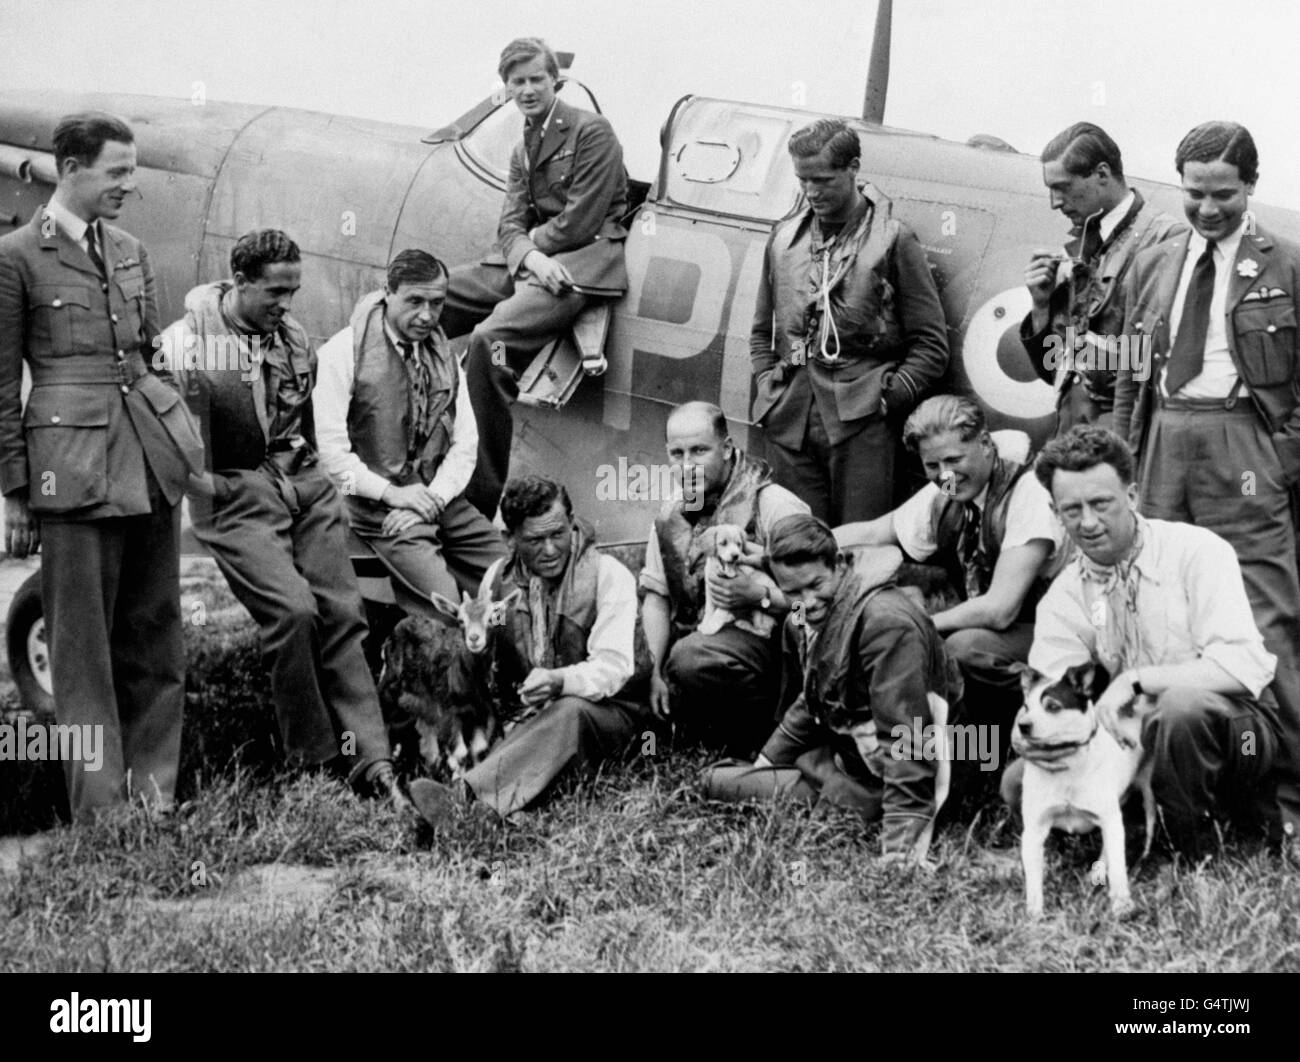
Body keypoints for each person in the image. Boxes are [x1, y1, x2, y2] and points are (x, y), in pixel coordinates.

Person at [0, 112, 205, 821]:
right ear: (71, 169)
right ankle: (102, 813)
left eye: (132, 169)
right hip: (71, 470)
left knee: (156, 634)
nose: (130, 184)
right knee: (81, 656)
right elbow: (1, 386)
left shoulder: (130, 250)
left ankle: (156, 799)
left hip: (147, 463)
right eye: (117, 171)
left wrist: (176, 442)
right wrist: (16, 491)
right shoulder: (16, 256)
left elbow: (148, 354)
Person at [161, 229, 403, 805]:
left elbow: (306, 416)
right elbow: (160, 429)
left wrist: (317, 477)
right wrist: (207, 484)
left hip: (301, 484)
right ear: (240, 281)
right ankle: (313, 760)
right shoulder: (184, 343)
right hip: (236, 494)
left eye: (294, 291)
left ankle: (373, 761)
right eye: (275, 291)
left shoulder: (290, 335)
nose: (287, 304)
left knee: (344, 612)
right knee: (294, 613)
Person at [1113, 121, 1300, 852]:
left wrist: (1282, 460)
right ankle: (1157, 796)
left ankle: (1283, 803)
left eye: (1224, 194)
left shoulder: (1284, 261)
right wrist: (1128, 461)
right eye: (1196, 194)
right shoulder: (1156, 259)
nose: (1210, 210)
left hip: (1242, 443)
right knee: (1155, 607)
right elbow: (1130, 368)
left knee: (1266, 623)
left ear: (1251, 186)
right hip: (1164, 436)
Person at [1019, 426, 1282, 859]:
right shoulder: (1064, 595)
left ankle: (1192, 850)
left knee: (1181, 709)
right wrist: (1029, 738)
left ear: (1133, 496)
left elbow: (1242, 667)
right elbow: (1051, 692)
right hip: (1127, 742)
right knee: (1018, 783)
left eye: (1101, 503)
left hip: (1237, 731)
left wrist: (1138, 680)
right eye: (1072, 509)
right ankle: (1133, 820)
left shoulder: (1198, 551)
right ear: (1054, 511)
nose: (1087, 522)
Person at [441, 36, 629, 519]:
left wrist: (532, 255)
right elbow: (508, 223)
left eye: (535, 80)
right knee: (423, 301)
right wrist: (528, 257)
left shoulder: (593, 132)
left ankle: (478, 496)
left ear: (555, 81)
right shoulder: (524, 142)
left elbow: (581, 222)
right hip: (536, 264)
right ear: (505, 88)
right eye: (516, 82)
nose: (526, 90)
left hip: (582, 266)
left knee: (489, 342)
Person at [702, 515, 962, 861]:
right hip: (850, 755)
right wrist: (766, 762)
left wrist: (899, 850)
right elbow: (815, 697)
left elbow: (910, 744)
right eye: (792, 592)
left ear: (839, 563)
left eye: (815, 585)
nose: (806, 602)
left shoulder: (885, 624)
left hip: (895, 775)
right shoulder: (818, 615)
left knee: (715, 783)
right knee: (723, 780)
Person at [408, 475, 653, 824]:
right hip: (536, 715)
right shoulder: (496, 579)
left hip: (618, 719)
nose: (551, 549)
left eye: (558, 534)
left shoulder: (607, 574)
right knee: (525, 727)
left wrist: (558, 680)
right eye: (535, 540)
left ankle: (463, 801)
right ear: (510, 539)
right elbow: (489, 655)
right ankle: (494, 812)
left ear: (571, 523)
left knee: (571, 711)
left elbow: (614, 668)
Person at [750, 117, 949, 525]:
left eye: (823, 179)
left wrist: (886, 399)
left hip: (862, 427)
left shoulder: (894, 239)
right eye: (802, 180)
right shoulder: (784, 239)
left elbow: (931, 346)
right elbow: (760, 331)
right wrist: (766, 384)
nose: (811, 192)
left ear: (853, 167)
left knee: (859, 549)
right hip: (789, 421)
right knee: (793, 544)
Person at [836, 395, 1068, 734]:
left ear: (986, 444)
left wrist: (919, 624)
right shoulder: (952, 483)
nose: (945, 475)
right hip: (1008, 624)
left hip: (1057, 629)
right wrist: (793, 547)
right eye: (932, 466)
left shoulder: (1030, 490)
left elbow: (999, 609)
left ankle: (1023, 731)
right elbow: (876, 532)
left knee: (964, 647)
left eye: (954, 459)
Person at [313, 249, 505, 619]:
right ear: (387, 291)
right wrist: (395, 495)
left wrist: (430, 499)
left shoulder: (443, 353)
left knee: (512, 580)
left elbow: (466, 443)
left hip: (437, 499)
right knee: (447, 610)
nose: (427, 315)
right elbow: (331, 456)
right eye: (414, 301)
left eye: (437, 303)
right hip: (373, 507)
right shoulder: (343, 353)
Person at [640, 401, 809, 756]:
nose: (687, 465)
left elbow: (820, 601)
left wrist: (760, 595)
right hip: (703, 638)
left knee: (693, 658)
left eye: (700, 451)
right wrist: (652, 671)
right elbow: (656, 596)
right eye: (677, 453)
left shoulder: (775, 505)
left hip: (773, 651)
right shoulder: (673, 511)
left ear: (728, 448)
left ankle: (758, 741)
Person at [1020, 122, 1184, 434]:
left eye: (1063, 187)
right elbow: (1054, 371)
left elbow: (1165, 372)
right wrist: (1042, 306)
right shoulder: (1086, 241)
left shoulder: (1165, 241)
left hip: (1121, 444)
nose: (1054, 202)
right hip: (1073, 439)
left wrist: (1090, 352)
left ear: (1103, 175)